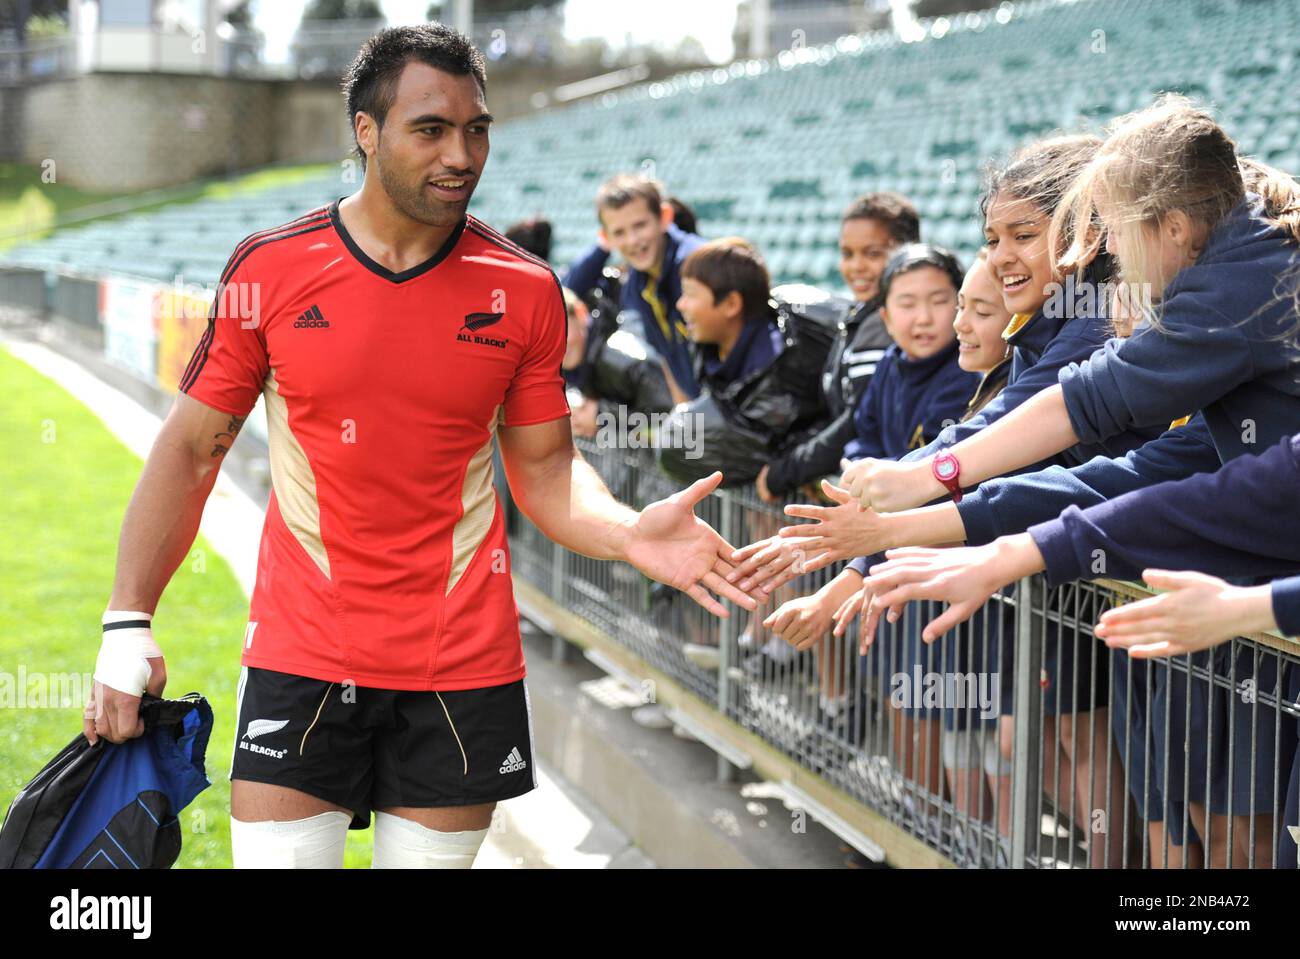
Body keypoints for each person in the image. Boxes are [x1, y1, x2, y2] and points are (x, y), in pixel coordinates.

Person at [81, 23, 760, 871]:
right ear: (366, 132)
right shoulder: (271, 269)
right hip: (305, 652)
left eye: (477, 128)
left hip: (462, 665)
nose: (462, 153)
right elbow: (189, 453)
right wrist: (126, 623)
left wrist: (626, 530)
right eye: (431, 128)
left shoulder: (526, 291)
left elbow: (546, 469)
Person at [762, 244, 975, 810]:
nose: (923, 317)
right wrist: (859, 469)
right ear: (884, 315)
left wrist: (874, 494)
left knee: (936, 704)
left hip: (932, 562)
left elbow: (919, 476)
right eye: (906, 303)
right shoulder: (889, 365)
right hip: (885, 559)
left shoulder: (964, 376)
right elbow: (866, 435)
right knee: (898, 689)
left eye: (938, 301)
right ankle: (914, 812)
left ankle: (935, 822)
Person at [756, 192, 920, 502]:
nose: (857, 266)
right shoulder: (861, 316)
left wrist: (787, 471)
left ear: (907, 252)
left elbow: (855, 422)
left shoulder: (884, 327)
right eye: (847, 254)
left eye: (872, 253)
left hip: (886, 498)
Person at [564, 174, 705, 401]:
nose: (632, 240)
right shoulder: (637, 284)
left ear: (664, 216)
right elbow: (667, 358)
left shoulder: (696, 266)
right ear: (606, 237)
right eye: (619, 232)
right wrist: (685, 417)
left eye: (640, 225)